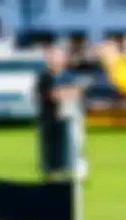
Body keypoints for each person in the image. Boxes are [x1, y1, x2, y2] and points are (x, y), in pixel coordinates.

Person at [35, 45, 79, 179]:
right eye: (53, 57)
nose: (56, 60)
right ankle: (50, 171)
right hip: (49, 117)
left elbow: (76, 92)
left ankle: (66, 169)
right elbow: (52, 95)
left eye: (59, 57)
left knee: (67, 144)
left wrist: (63, 93)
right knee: (49, 146)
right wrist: (63, 93)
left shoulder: (69, 76)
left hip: (66, 116)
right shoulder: (44, 77)